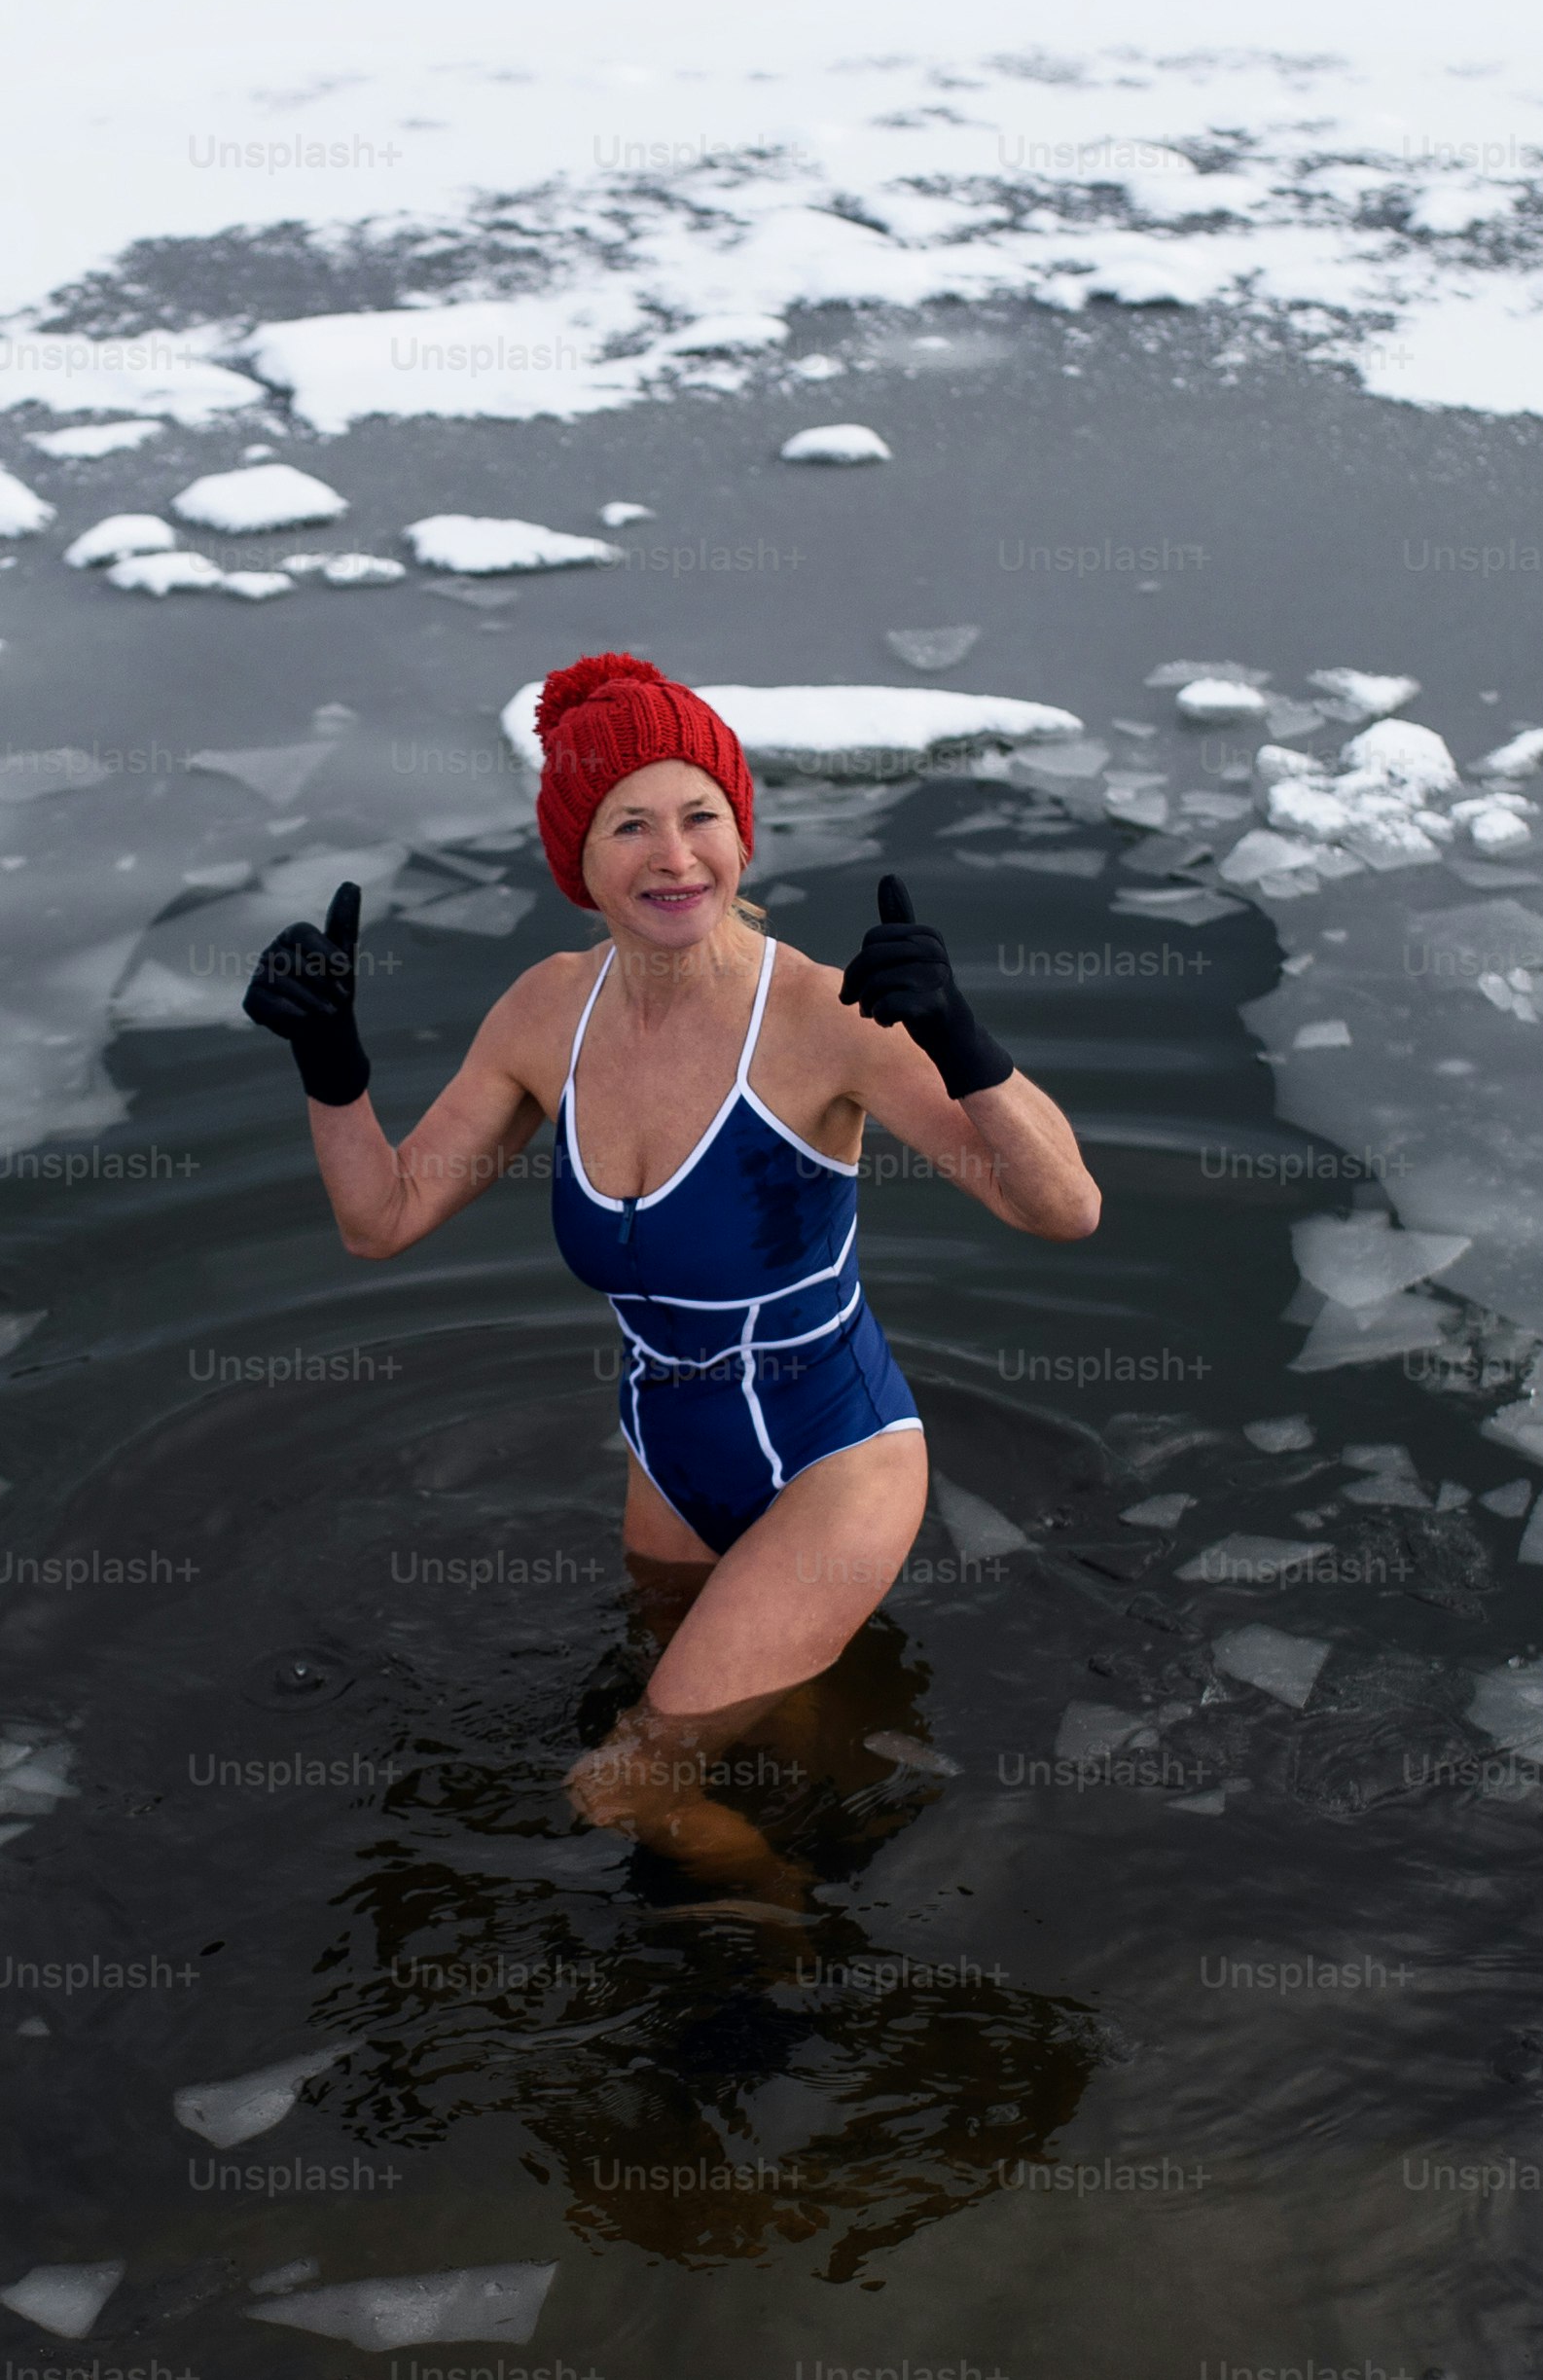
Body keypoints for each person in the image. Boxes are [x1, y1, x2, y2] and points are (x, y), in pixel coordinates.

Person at [242, 651, 1101, 1907]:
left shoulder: (824, 1016)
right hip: (669, 1443)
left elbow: (1063, 1210)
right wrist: (330, 1068)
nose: (674, 855)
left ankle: (787, 1952)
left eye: (702, 815)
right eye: (628, 823)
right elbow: (385, 1221)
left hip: (836, 1452)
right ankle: (833, 1846)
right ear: (577, 863)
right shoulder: (547, 1012)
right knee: (754, 1718)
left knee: (628, 1781)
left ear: (741, 832)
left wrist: (964, 1041)